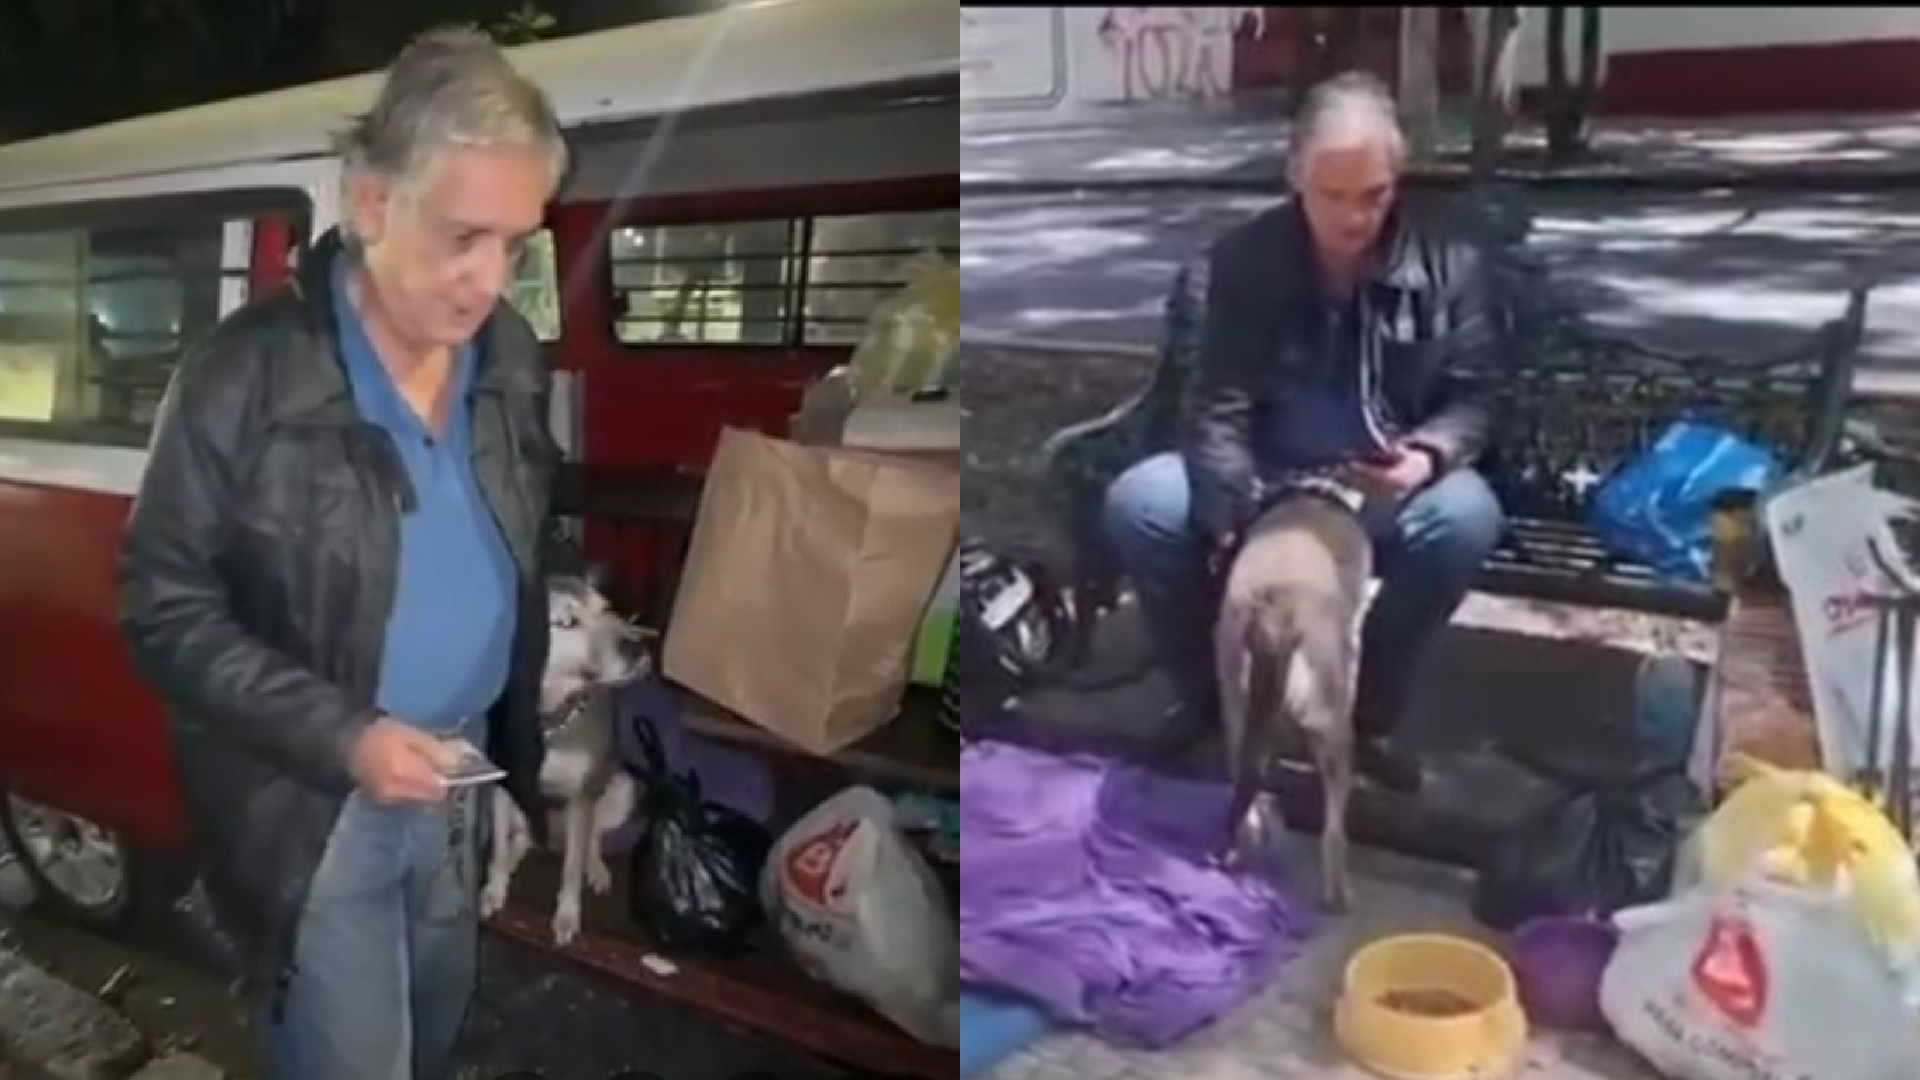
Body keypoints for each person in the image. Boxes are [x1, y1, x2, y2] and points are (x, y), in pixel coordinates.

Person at [117, 28, 567, 1080]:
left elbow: (521, 533)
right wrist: (342, 735)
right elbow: (161, 608)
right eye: (465, 237)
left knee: (436, 1023)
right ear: (370, 203)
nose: (488, 281)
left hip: (456, 776)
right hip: (313, 802)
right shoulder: (244, 374)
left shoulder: (507, 357)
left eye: (516, 245)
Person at [1103, 72, 1511, 793]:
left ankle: (1363, 714)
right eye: (1335, 196)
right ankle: (1208, 698)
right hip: (1267, 475)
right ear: (1295, 176)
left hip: (1378, 476)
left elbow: (1477, 396)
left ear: (1397, 178)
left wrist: (1425, 456)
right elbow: (1216, 404)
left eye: (1376, 195)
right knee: (1143, 503)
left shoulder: (1451, 263)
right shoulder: (1238, 264)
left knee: (1466, 518)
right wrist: (1236, 518)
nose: (1357, 218)